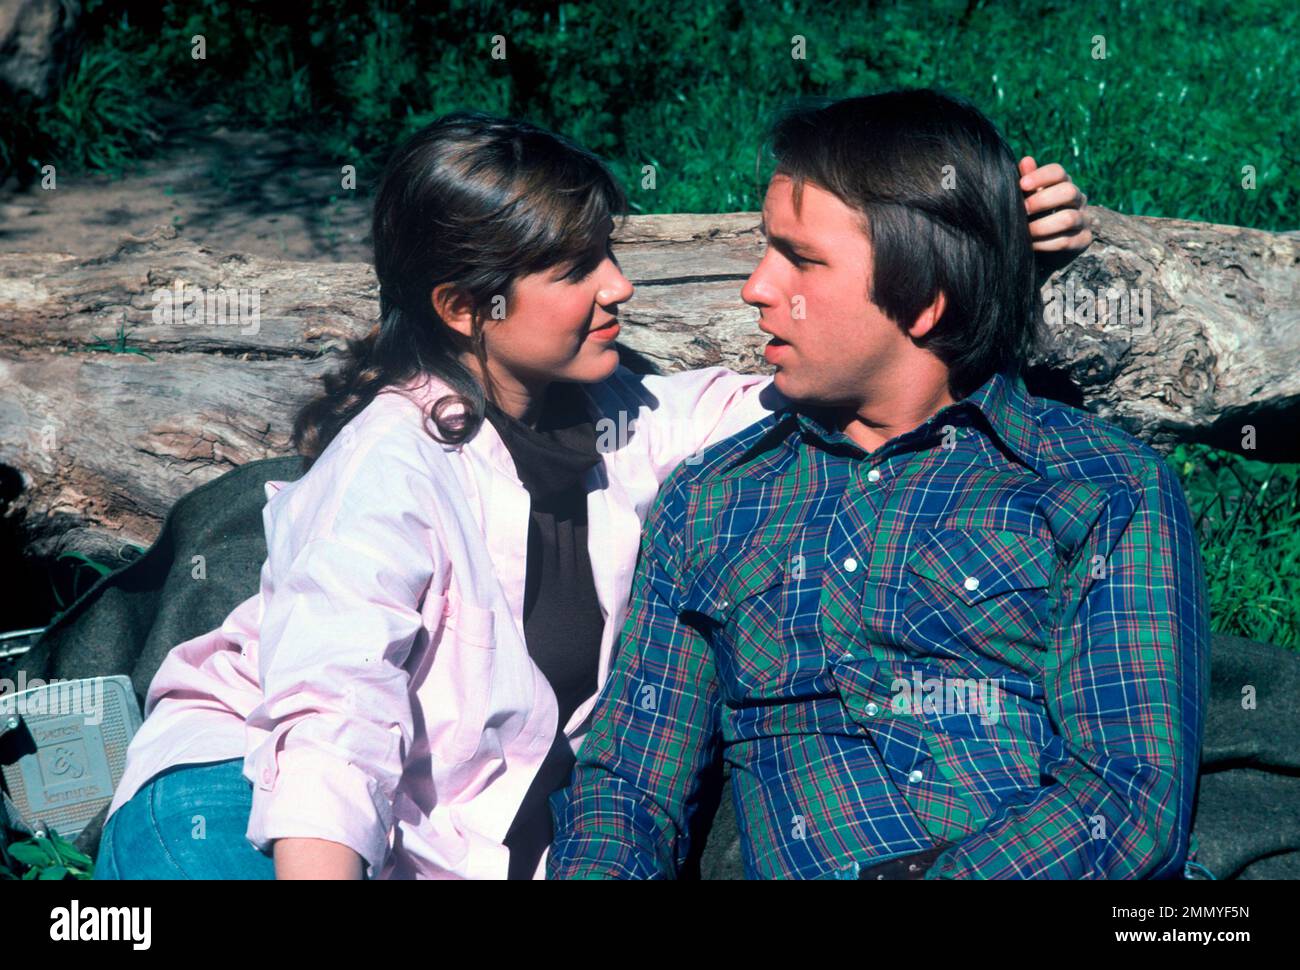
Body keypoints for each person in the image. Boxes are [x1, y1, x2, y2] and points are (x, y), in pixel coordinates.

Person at [95, 103, 1090, 880]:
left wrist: (986, 253)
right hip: (244, 808)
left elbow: (849, 380)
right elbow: (331, 726)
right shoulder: (390, 465)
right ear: (466, 307)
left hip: (431, 843)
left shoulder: (626, 420)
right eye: (576, 268)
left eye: (609, 252)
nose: (619, 286)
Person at [548, 89, 1208, 880]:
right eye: (766, 250)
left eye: (800, 259)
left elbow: (1127, 797)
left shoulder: (1099, 485)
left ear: (924, 300)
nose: (756, 287)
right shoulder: (711, 501)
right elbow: (628, 790)